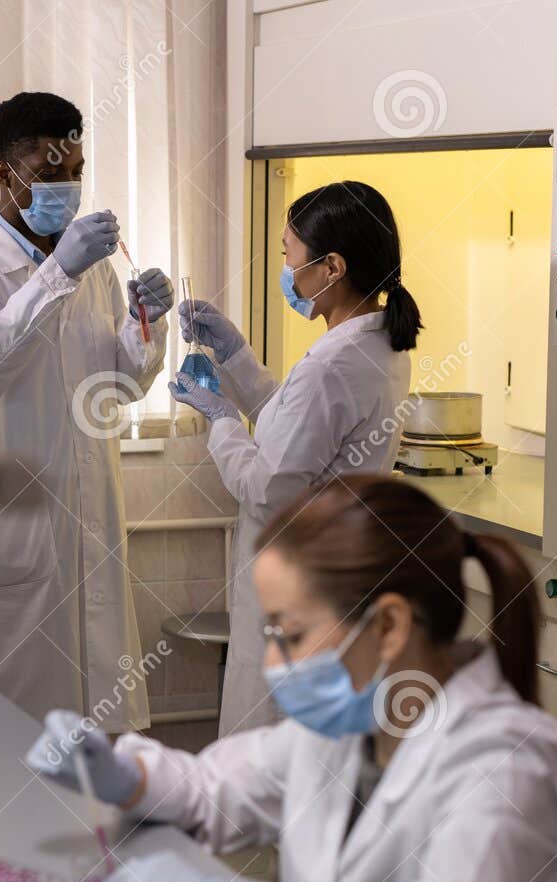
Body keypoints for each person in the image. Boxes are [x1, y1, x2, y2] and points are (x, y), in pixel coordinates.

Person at [26, 476, 557, 882]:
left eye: (291, 634)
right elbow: (216, 790)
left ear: (387, 627)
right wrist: (126, 776)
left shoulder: (509, 757)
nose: (275, 664)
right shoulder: (345, 732)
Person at [0, 92, 172, 729]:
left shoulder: (94, 273)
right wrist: (56, 272)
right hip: (16, 543)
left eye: (77, 171)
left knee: (94, 753)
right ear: (6, 173)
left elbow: (120, 384)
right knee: (9, 748)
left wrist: (148, 323)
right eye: (50, 171)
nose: (68, 186)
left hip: (90, 524)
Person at [172, 181, 417, 734]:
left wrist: (219, 418)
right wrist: (233, 353)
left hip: (300, 585)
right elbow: (298, 426)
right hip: (333, 576)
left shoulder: (334, 362)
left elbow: (270, 486)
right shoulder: (374, 345)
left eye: (288, 253)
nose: (283, 267)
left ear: (331, 267)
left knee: (270, 750)